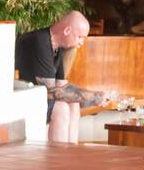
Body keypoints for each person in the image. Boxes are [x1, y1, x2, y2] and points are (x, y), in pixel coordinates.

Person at [14, 10, 107, 143]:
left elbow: (62, 85)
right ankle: (58, 154)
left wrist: (94, 95)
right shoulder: (40, 41)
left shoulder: (58, 47)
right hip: (23, 96)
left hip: (39, 95)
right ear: (67, 30)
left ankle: (70, 151)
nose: (81, 42)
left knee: (74, 105)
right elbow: (51, 92)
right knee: (61, 108)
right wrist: (91, 97)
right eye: (79, 37)